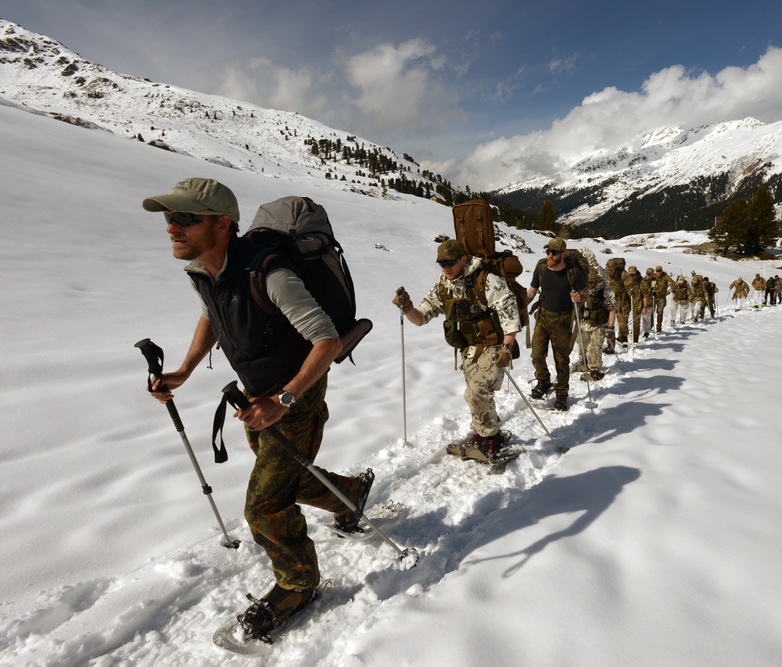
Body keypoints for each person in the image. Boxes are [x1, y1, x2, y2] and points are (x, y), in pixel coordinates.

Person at [142, 177, 374, 638]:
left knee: (264, 506)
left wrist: (285, 401)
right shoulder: (206, 271)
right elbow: (213, 313)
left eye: (185, 218)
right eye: (170, 218)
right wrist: (186, 369)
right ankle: (350, 494)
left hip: (294, 397)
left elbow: (326, 339)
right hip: (257, 396)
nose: (172, 228)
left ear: (222, 223)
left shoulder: (269, 273)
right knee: (285, 471)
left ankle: (298, 583)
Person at [393, 239, 521, 458]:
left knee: (478, 390)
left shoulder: (487, 281)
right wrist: (407, 308)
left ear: (463, 259)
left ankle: (488, 439)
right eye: (441, 263)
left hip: (494, 344)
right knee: (475, 393)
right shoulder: (444, 286)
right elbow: (421, 317)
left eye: (450, 262)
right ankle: (488, 434)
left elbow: (509, 313)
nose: (446, 268)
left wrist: (506, 348)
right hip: (470, 347)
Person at [528, 238, 588, 411]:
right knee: (537, 354)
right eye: (548, 252)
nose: (550, 255)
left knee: (561, 360)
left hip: (562, 320)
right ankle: (544, 380)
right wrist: (520, 305)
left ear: (563, 254)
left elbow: (585, 295)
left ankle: (562, 393)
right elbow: (532, 291)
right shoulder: (541, 269)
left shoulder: (573, 272)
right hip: (543, 317)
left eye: (554, 252)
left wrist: (580, 298)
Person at [578, 266, 615, 381]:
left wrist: (611, 327)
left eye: (591, 282)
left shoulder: (605, 290)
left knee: (594, 347)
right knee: (582, 346)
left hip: (599, 324)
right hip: (583, 322)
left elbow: (612, 309)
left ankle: (595, 371)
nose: (589, 284)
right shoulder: (580, 287)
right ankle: (585, 362)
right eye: (587, 282)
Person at [605, 258, 630, 347]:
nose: (610, 272)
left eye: (611, 270)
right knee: (609, 323)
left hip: (622, 301)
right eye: (608, 270)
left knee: (622, 322)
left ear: (615, 268)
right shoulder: (605, 274)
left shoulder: (623, 275)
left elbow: (630, 287)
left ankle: (623, 338)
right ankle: (610, 345)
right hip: (610, 301)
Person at [650, 266, 673, 332]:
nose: (658, 272)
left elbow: (672, 282)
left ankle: (659, 326)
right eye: (657, 271)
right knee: (651, 311)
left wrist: (670, 284)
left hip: (661, 297)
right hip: (653, 296)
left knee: (660, 312)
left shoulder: (665, 276)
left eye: (660, 271)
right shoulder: (653, 276)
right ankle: (651, 326)